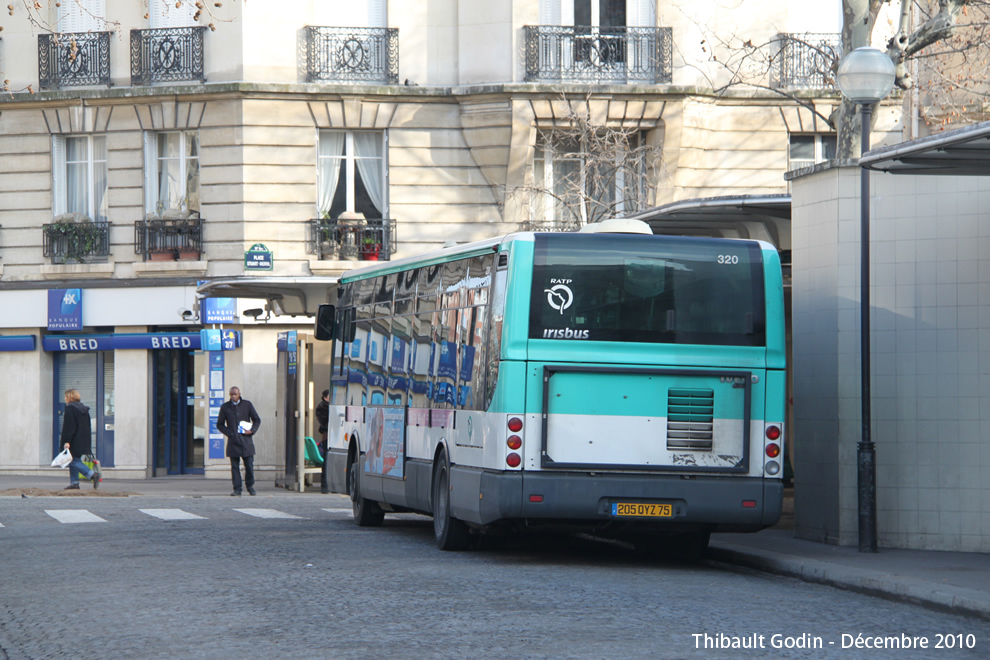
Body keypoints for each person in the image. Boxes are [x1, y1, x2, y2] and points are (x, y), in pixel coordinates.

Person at [216, 386, 261, 496]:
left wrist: (251, 430)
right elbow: (220, 424)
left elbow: (256, 420)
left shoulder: (247, 404)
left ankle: (250, 486)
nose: (233, 396)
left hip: (246, 441)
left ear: (239, 394)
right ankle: (237, 488)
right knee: (235, 467)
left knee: (249, 465)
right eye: (231, 394)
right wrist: (230, 433)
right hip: (233, 441)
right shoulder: (225, 407)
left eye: (235, 394)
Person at [60, 388, 98, 490]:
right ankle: (74, 482)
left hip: (74, 439)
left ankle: (91, 474)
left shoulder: (70, 409)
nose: (65, 398)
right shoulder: (84, 409)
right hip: (83, 439)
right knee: (74, 459)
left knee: (72, 460)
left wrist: (67, 441)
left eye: (66, 396)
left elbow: (69, 426)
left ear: (70, 397)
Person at [315, 389, 330, 494]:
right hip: (327, 436)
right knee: (326, 461)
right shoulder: (322, 407)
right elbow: (324, 422)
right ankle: (324, 485)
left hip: (331, 435)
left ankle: (328, 485)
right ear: (325, 397)